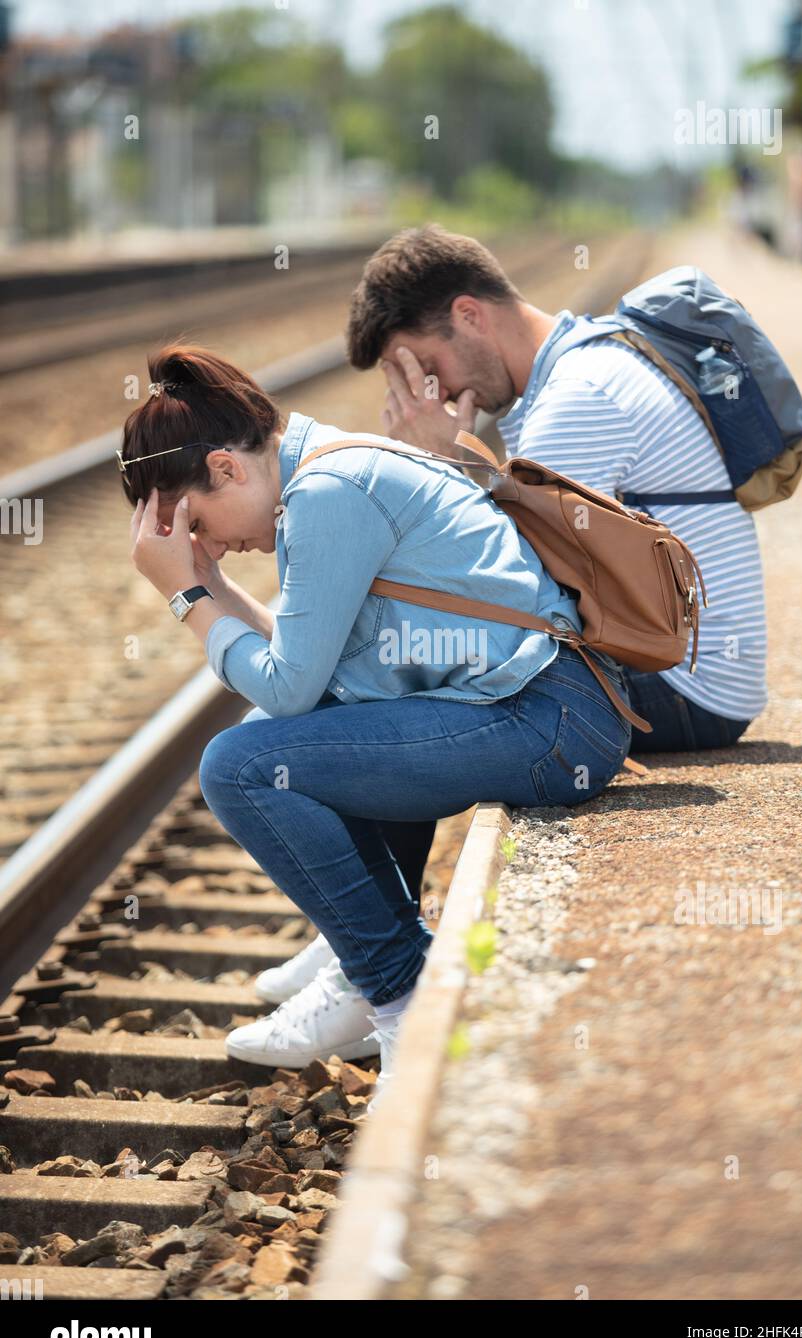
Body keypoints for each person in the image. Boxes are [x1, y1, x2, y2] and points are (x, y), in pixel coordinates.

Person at [120, 344, 632, 1106]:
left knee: (239, 764)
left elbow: (289, 689)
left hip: (549, 718)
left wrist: (184, 598)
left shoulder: (328, 494)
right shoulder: (322, 470)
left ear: (226, 469)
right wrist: (214, 581)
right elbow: (308, 666)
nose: (212, 541)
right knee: (296, 730)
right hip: (545, 706)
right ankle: (364, 965)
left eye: (201, 522)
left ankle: (394, 987)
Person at [346, 223, 767, 755]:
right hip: (695, 669)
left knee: (392, 674)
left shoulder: (577, 398)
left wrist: (441, 464)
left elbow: (512, 589)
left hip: (684, 688)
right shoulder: (586, 357)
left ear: (469, 316)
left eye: (427, 370)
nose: (436, 393)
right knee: (402, 664)